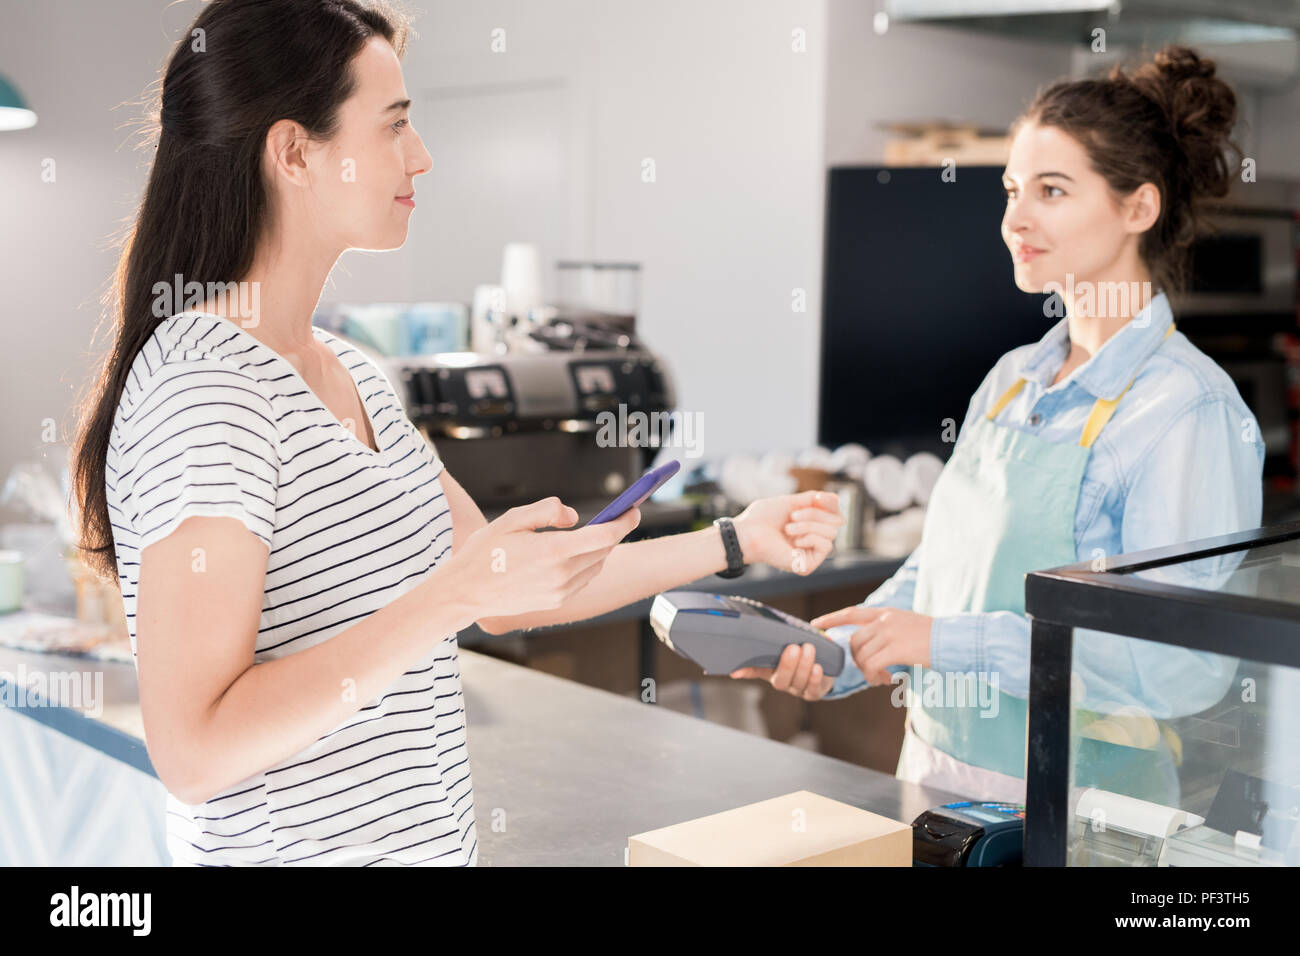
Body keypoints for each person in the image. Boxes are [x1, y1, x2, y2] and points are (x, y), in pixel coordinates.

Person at [69, 0, 843, 866]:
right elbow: (195, 750)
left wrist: (737, 538)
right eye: (395, 126)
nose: (421, 157)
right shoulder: (206, 388)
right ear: (293, 152)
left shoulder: (351, 371)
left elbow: (512, 588)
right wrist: (448, 599)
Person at [732, 45, 1263, 805]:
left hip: (1081, 817)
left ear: (1137, 208)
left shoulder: (1185, 411)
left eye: (1052, 191)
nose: (1016, 219)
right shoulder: (1014, 378)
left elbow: (1177, 662)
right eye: (1012, 190)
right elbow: (944, 570)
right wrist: (841, 651)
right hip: (939, 791)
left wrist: (945, 643)